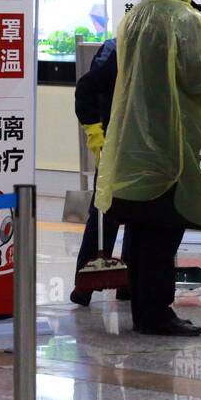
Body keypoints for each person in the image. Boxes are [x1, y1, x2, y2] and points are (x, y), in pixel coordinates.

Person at [95, 0, 201, 336]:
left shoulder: (135, 15)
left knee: (140, 226)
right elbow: (196, 75)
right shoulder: (185, 19)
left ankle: (143, 308)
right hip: (171, 141)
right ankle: (156, 313)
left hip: (136, 140)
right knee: (163, 231)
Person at [70, 38, 131, 307]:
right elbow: (85, 89)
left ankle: (130, 283)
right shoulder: (120, 51)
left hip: (145, 145)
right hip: (112, 143)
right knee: (105, 210)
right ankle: (84, 284)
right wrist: (96, 136)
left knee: (141, 214)